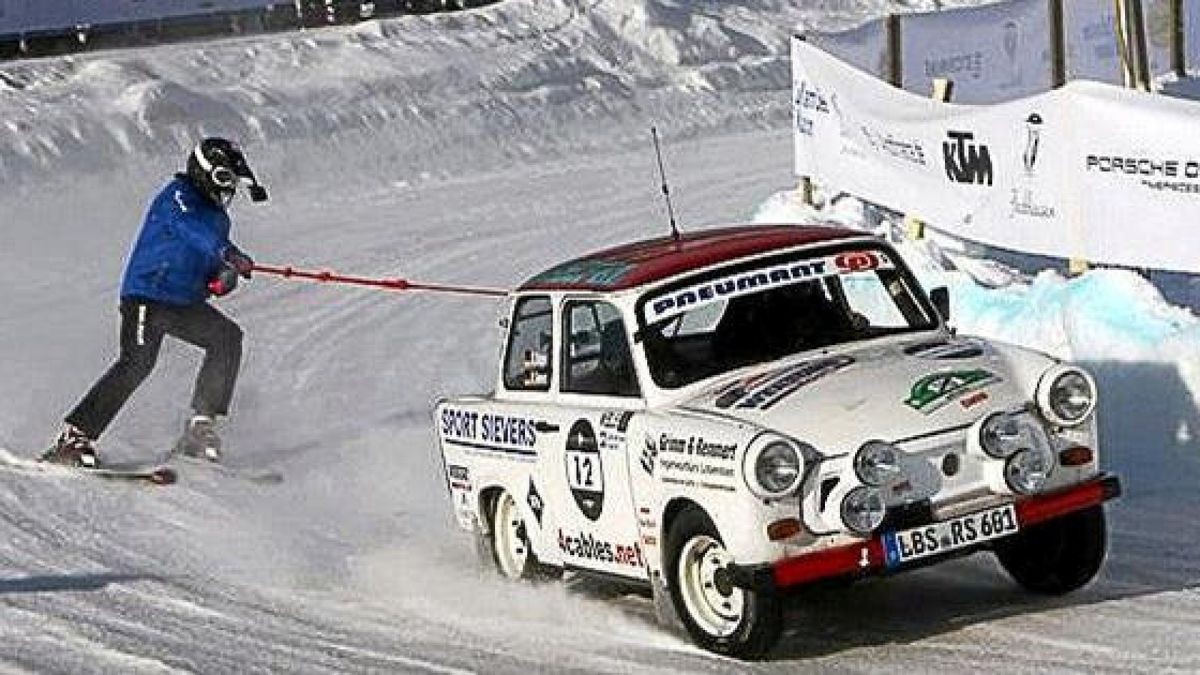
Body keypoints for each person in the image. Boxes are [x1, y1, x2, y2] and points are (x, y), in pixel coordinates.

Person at [42, 137, 268, 468]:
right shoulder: (177, 196)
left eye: (232, 183)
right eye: (223, 180)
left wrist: (221, 277)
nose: (227, 190)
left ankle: (200, 426)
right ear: (203, 171)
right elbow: (192, 231)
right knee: (137, 362)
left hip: (182, 302)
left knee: (226, 337)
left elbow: (207, 259)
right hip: (148, 295)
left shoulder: (218, 219)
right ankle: (74, 438)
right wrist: (228, 253)